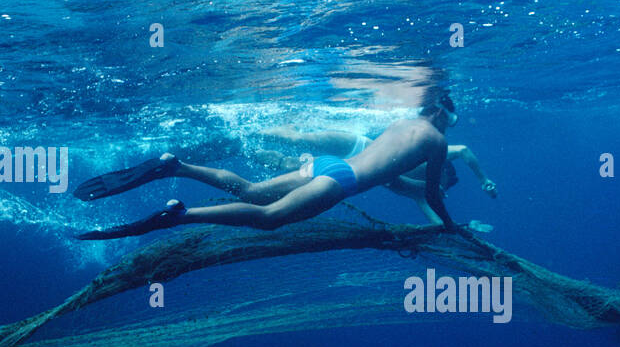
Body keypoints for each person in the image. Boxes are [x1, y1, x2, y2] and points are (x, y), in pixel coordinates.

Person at [75, 94, 462, 239]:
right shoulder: (438, 141)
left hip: (332, 165)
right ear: (444, 116)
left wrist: (419, 194)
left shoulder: (400, 124)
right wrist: (447, 223)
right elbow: (430, 192)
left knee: (251, 192)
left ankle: (178, 166)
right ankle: (182, 215)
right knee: (269, 218)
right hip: (340, 181)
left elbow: (390, 173)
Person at [254, 125, 497, 224]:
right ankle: (258, 129)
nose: (439, 185)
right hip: (357, 145)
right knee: (300, 137)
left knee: (291, 165)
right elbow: (464, 150)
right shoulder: (436, 156)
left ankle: (255, 149)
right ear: (443, 169)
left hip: (348, 168)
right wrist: (484, 180)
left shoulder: (421, 191)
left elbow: (435, 219)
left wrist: (456, 227)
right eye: (444, 181)